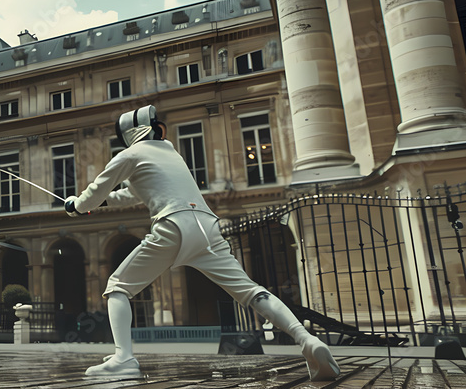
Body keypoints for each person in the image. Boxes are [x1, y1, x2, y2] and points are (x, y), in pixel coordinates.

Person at [64, 105, 340, 381]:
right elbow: (131, 193)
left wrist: (77, 205)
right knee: (252, 292)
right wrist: (100, 203)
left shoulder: (130, 154)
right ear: (153, 129)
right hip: (207, 226)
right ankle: (306, 340)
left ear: (129, 134)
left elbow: (96, 189)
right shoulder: (172, 155)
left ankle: (123, 358)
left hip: (172, 225)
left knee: (117, 287)